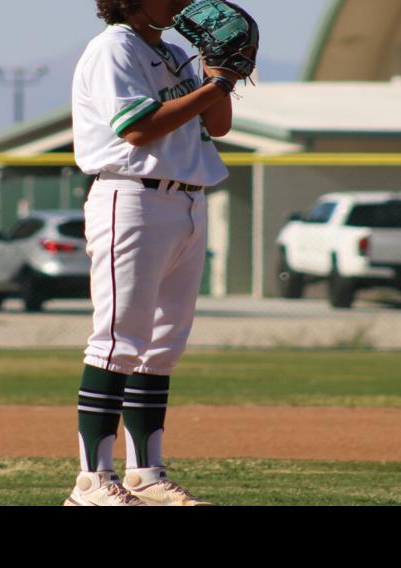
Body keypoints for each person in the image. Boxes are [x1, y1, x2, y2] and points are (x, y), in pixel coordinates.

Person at [64, 0, 247, 506]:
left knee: (162, 347)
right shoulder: (112, 48)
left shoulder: (170, 52)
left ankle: (145, 474)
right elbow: (138, 127)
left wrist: (221, 75)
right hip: (132, 195)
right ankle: (92, 483)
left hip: (187, 197)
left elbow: (220, 123)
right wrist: (213, 83)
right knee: (118, 338)